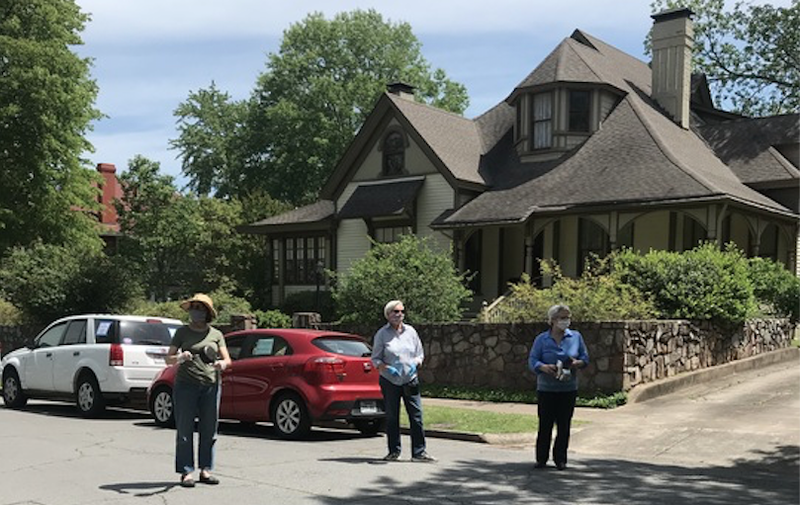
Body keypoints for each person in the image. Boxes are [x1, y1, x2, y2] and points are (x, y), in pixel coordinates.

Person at [166, 293, 232, 487]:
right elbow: (168, 359)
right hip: (186, 385)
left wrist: (222, 364)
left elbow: (228, 359)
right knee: (185, 430)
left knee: (209, 429)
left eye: (200, 308)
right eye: (194, 307)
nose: (196, 312)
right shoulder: (182, 333)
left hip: (210, 385)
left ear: (207, 313)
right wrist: (180, 357)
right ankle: (186, 472)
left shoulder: (216, 335)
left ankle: (206, 469)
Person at [371, 300, 436, 463]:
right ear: (388, 315)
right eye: (395, 312)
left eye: (401, 311)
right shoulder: (382, 334)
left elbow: (419, 354)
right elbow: (375, 359)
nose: (399, 314)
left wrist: (416, 363)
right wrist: (385, 368)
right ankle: (394, 451)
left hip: (410, 379)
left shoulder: (411, 332)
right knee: (392, 416)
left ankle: (419, 452)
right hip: (390, 380)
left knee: (416, 416)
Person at [528, 303, 589, 470]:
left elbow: (585, 358)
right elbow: (532, 360)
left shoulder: (576, 337)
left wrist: (578, 363)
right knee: (545, 424)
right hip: (546, 389)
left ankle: (560, 459)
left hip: (568, 389)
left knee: (564, 425)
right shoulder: (542, 339)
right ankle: (541, 458)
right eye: (562, 318)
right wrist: (543, 367)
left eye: (568, 317)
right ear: (552, 320)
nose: (566, 321)